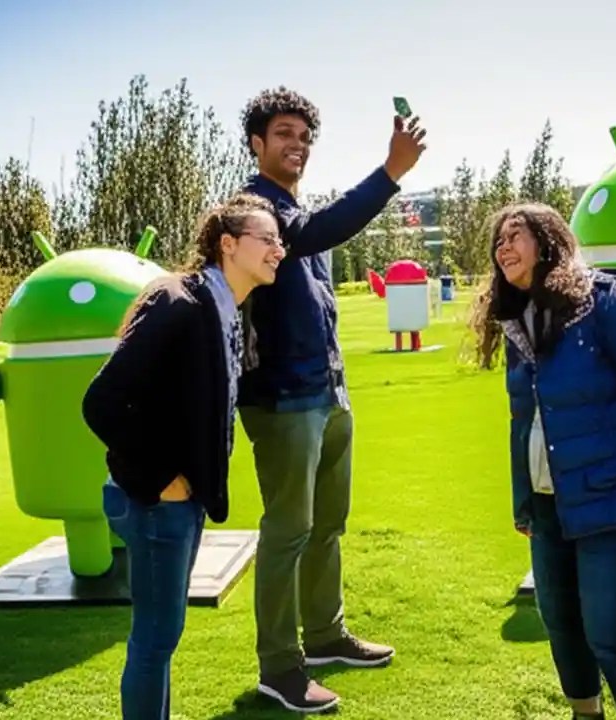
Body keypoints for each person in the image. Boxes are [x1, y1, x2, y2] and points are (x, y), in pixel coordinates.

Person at [233, 86, 427, 713]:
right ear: (257, 143)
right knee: (288, 531)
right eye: (283, 134)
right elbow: (316, 232)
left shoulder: (295, 210)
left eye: (304, 136)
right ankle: (279, 668)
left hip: (328, 392)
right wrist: (391, 172)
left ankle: (323, 636)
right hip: (283, 398)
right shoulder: (254, 210)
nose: (297, 145)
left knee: (327, 525)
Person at [467, 203, 616, 720]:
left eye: (515, 234)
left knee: (614, 638)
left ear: (549, 241)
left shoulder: (611, 304)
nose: (503, 247)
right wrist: (524, 500)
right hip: (549, 508)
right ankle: (584, 713)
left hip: (615, 508)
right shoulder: (520, 324)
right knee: (562, 624)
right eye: (498, 240)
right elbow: (523, 420)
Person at [82, 193, 286, 720]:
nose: (278, 250)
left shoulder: (225, 310)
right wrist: (163, 480)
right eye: (267, 239)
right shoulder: (178, 303)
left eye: (280, 241)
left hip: (180, 503)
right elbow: (102, 402)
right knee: (155, 638)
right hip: (155, 502)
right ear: (228, 244)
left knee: (162, 636)